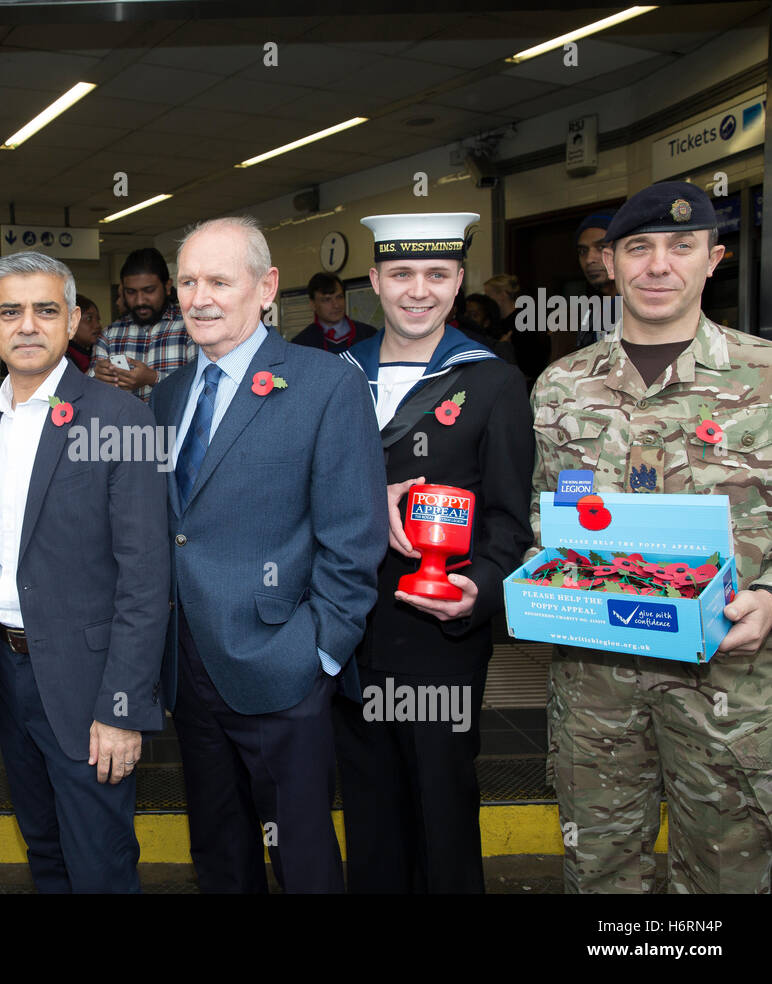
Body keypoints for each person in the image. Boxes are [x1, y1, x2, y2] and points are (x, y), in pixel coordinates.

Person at [531, 180, 772, 894]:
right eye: (639, 248)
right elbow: (548, 518)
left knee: (729, 872)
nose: (658, 265)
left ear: (714, 258)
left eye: (681, 245)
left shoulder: (764, 378)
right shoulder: (561, 387)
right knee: (601, 869)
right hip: (596, 681)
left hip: (730, 685)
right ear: (611, 261)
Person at [149, 216, 386, 893]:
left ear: (266, 288)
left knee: (304, 859)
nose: (200, 298)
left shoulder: (324, 385)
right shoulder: (167, 396)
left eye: (220, 281)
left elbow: (354, 535)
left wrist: (319, 653)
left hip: (284, 669)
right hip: (189, 667)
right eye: (188, 282)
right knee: (219, 851)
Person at [0, 252, 168, 892]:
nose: (27, 325)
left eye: (46, 310)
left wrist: (123, 707)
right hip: (8, 675)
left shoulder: (120, 418)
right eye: (10, 311)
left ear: (73, 321)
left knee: (98, 862)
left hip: (89, 683)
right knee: (44, 850)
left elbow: (147, 577)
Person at [333, 212, 535, 893]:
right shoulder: (335, 377)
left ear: (457, 283)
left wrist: (481, 588)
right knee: (367, 806)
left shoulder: (492, 380)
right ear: (375, 281)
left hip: (438, 633)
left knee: (442, 808)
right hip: (344, 628)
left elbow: (511, 520)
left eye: (437, 275)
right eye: (401, 274)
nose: (418, 291)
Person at [91, 247, 192, 402]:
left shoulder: (190, 327)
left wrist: (153, 378)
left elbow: (202, 382)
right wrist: (97, 376)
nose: (140, 301)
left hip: (175, 425)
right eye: (131, 292)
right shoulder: (110, 335)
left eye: (149, 290)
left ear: (167, 286)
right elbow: (91, 392)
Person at [485, 272, 548, 390]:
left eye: (489, 295)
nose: (487, 301)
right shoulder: (496, 322)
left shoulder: (524, 320)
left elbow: (532, 357)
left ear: (502, 295)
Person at [290, 272, 376, 353]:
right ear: (313, 304)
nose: (336, 305)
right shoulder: (301, 344)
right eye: (327, 300)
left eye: (339, 297)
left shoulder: (369, 335)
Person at [572, 209, 619, 349]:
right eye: (583, 251)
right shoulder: (591, 315)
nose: (589, 259)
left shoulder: (644, 310)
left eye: (601, 247)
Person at [64, 292, 101, 372]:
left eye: (98, 319)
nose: (97, 325)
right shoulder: (63, 359)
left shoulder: (96, 352)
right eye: (89, 319)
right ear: (72, 321)